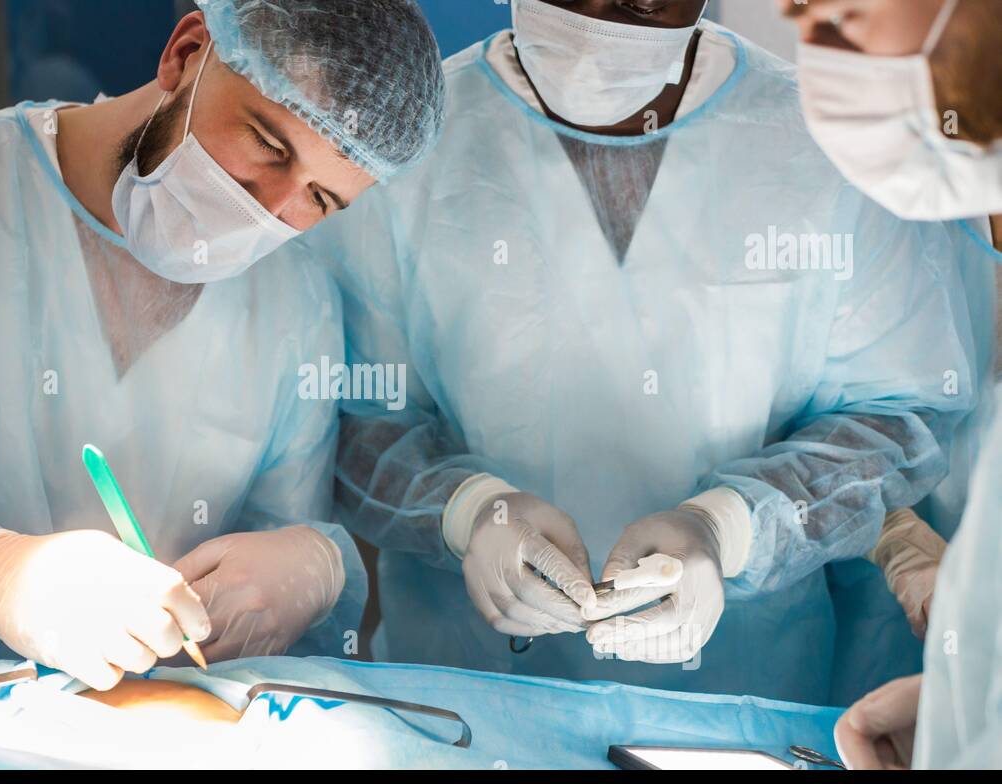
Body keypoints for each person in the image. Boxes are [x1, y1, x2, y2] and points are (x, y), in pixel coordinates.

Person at [0, 0, 444, 691]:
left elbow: (277, 536)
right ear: (186, 53)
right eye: (268, 143)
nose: (273, 208)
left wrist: (311, 564)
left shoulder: (298, 297)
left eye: (321, 199)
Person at [304, 0, 981, 703]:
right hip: (469, 694)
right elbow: (348, 414)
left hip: (743, 693)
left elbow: (897, 413)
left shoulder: (817, 146)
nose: (622, 8)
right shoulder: (409, 150)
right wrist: (468, 510)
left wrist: (728, 525)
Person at [781, 0, 1001, 768]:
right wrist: (896, 533)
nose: (819, 54)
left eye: (841, 14)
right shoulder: (911, 199)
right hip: (897, 674)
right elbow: (830, 420)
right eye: (800, 18)